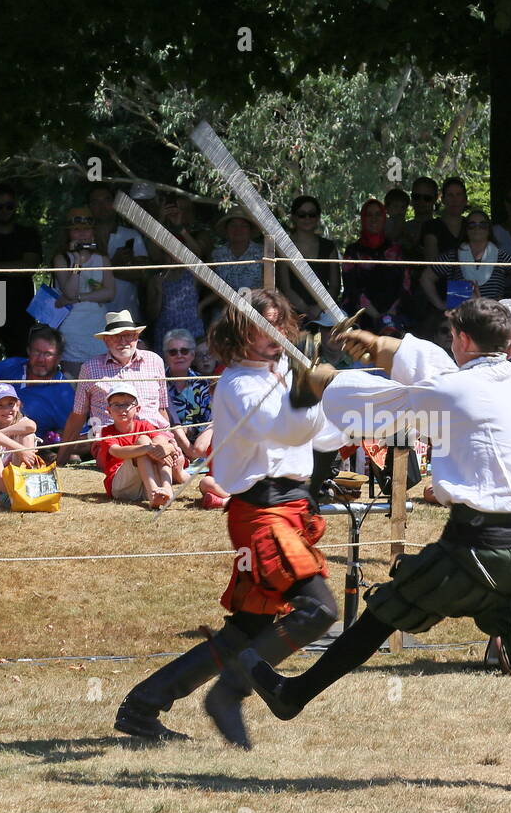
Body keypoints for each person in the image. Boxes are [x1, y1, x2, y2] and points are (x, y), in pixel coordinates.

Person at [227, 297, 511, 795]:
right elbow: (437, 369)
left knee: (382, 615)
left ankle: (293, 695)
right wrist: (382, 346)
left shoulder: (450, 388)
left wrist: (322, 383)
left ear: (462, 340)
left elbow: (381, 407)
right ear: (508, 341)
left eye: (454, 337)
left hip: (478, 546)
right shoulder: (510, 378)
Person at [113, 288, 343, 749]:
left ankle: (143, 706)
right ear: (241, 331)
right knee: (318, 611)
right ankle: (230, 691)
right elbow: (281, 429)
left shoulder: (282, 372)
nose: (275, 335)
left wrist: (324, 392)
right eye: (263, 326)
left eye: (280, 325)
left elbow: (324, 435)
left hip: (292, 506)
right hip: (262, 510)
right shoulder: (238, 383)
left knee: (248, 631)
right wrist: (305, 393)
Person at [58, 311, 182, 476]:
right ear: (106, 340)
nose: (123, 341)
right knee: (155, 461)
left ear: (137, 337)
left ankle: (167, 473)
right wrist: (60, 462)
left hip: (154, 434)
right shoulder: (89, 368)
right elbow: (78, 416)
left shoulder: (155, 361)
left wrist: (169, 438)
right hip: (113, 441)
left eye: (129, 335)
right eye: (116, 336)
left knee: (175, 459)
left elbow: (161, 410)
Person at [0, 325, 75, 464]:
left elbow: (83, 440)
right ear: (28, 351)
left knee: (27, 434)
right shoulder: (12, 365)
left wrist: (55, 443)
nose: (41, 359)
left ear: (59, 358)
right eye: (36, 352)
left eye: (48, 354)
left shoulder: (64, 391)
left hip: (25, 443)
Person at [0, 184, 43, 361]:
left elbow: (29, 267)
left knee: (20, 360)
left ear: (16, 206)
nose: (4, 210)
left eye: (9, 206)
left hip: (20, 309)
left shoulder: (28, 234)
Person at [91, 382, 182, 508]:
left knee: (159, 443)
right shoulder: (107, 431)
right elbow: (116, 451)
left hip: (142, 485)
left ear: (137, 409)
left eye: (127, 404)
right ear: (109, 410)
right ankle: (153, 493)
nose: (122, 409)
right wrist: (148, 448)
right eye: (116, 405)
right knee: (144, 442)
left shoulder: (144, 425)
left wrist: (168, 448)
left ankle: (166, 489)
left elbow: (161, 441)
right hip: (121, 487)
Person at [52, 207, 115, 376]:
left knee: (100, 380)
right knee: (75, 381)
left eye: (86, 229)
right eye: (76, 230)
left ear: (93, 232)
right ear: (69, 233)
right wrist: (77, 261)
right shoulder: (62, 259)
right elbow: (69, 292)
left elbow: (109, 293)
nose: (82, 234)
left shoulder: (102, 259)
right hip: (72, 328)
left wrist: (79, 297)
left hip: (97, 325)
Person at [145, 193, 208, 345]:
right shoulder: (158, 279)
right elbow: (153, 253)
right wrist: (161, 219)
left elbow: (197, 255)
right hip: (166, 331)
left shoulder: (192, 273)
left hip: (192, 328)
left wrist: (201, 306)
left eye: (183, 209)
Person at [341, 199, 410, 332]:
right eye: (369, 215)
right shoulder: (353, 251)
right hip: (360, 317)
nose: (374, 219)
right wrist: (376, 316)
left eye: (378, 214)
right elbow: (351, 288)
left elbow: (405, 286)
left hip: (394, 316)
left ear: (384, 218)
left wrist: (389, 316)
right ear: (363, 219)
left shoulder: (396, 250)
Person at [87, 184, 149, 319]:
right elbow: (83, 278)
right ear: (89, 207)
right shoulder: (82, 238)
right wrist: (116, 265)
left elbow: (142, 274)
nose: (102, 206)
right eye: (96, 202)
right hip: (91, 317)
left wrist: (106, 269)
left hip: (125, 314)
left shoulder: (131, 235)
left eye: (107, 200)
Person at [278, 196, 341, 323]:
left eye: (312, 214)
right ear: (294, 217)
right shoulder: (283, 246)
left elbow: (335, 286)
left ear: (318, 217)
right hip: (291, 314)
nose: (307, 219)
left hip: (326, 312)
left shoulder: (329, 247)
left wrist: (318, 309)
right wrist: (306, 310)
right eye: (302, 215)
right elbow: (285, 287)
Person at [161, 328, 212, 460]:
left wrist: (191, 431)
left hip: (202, 445)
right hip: (169, 446)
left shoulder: (204, 383)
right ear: (166, 357)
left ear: (192, 355)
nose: (179, 355)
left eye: (184, 351)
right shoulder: (158, 385)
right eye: (173, 352)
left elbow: (211, 420)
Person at [420, 177, 469, 261]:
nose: (455, 200)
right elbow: (432, 264)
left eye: (458, 194)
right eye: (450, 195)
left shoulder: (472, 225)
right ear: (443, 200)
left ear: (465, 199)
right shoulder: (431, 226)